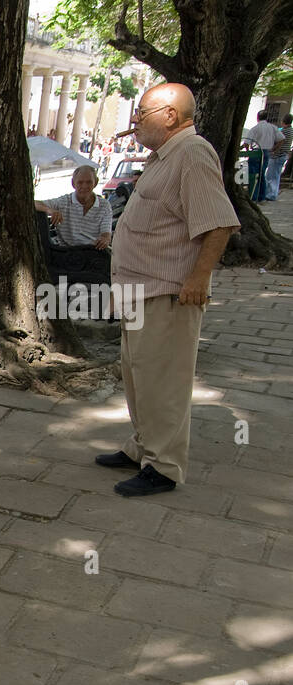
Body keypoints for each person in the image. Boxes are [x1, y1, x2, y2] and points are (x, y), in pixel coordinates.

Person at [99, 82, 239, 497]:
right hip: (138, 291)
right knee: (138, 375)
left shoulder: (192, 154)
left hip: (168, 291)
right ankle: (143, 446)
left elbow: (219, 223)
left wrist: (197, 280)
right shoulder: (165, 156)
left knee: (163, 380)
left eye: (142, 112)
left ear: (170, 116)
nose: (135, 120)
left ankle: (164, 466)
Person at [34, 165, 113, 250]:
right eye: (80, 182)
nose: (84, 186)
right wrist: (50, 210)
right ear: (73, 183)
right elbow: (34, 203)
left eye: (89, 182)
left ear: (96, 183)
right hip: (67, 253)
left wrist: (105, 239)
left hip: (93, 252)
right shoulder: (64, 202)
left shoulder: (104, 205)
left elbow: (106, 233)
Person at [245, 110, 284, 202]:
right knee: (262, 174)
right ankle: (261, 196)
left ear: (257, 118)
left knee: (253, 174)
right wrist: (274, 148)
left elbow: (247, 142)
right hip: (266, 152)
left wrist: (248, 151)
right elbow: (282, 139)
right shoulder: (273, 128)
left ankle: (253, 196)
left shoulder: (255, 128)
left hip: (256, 151)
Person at [263, 112, 290, 202]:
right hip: (284, 155)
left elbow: (278, 140)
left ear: (283, 121)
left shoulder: (282, 131)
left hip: (277, 155)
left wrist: (273, 149)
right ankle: (273, 193)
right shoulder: (291, 130)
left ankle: (271, 194)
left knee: (271, 175)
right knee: (276, 175)